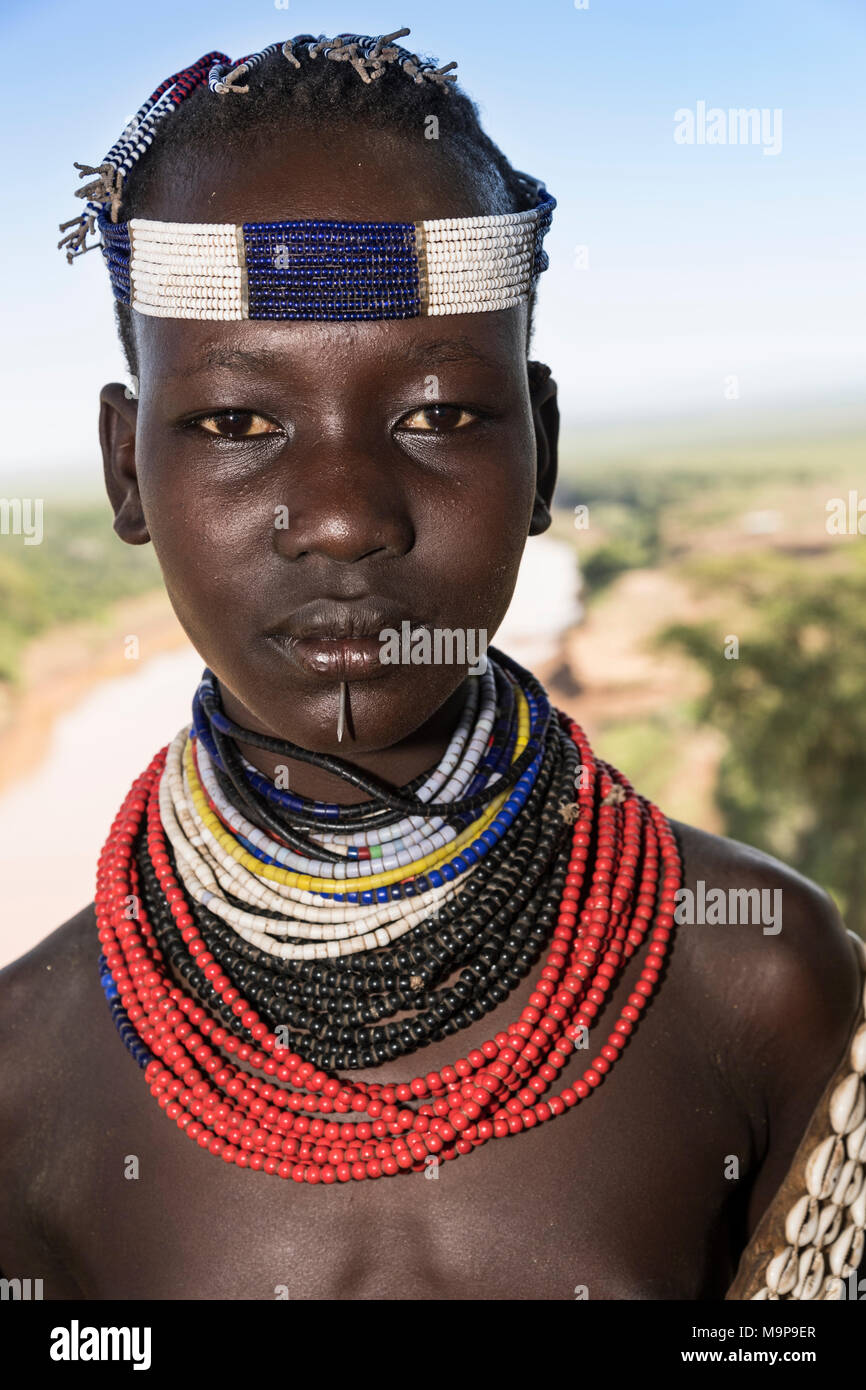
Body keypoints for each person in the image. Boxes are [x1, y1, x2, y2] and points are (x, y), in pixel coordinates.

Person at [0, 29, 862, 1302]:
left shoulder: (767, 984)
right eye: (237, 422)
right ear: (130, 469)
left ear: (542, 452)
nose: (344, 515)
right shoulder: (25, 1080)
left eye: (438, 415)